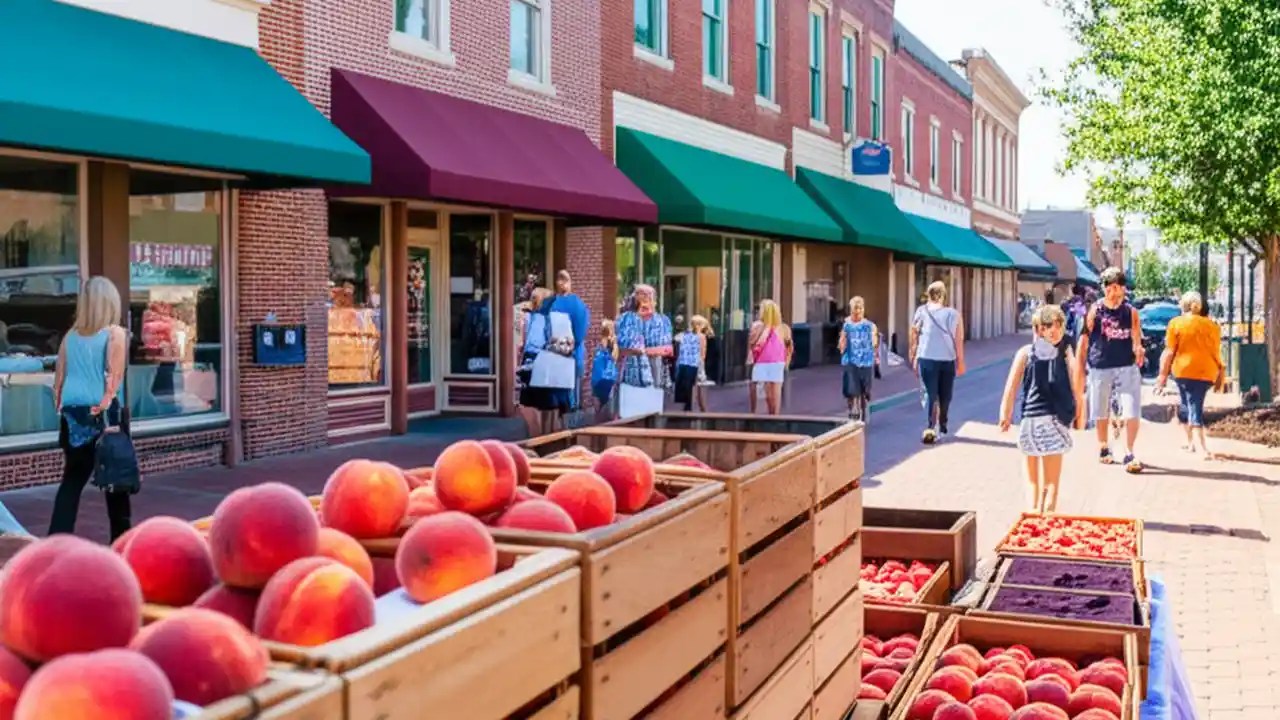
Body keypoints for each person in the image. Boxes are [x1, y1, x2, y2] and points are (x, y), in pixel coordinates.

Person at [49, 276, 131, 541]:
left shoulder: (70, 336)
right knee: (115, 481)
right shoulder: (114, 333)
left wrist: (62, 408)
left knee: (71, 481)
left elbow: (58, 379)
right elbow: (114, 378)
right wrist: (107, 403)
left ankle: (56, 541)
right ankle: (121, 541)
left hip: (72, 413)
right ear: (110, 303)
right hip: (104, 414)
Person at [999, 305, 1083, 513]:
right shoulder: (1065, 354)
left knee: (1032, 484)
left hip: (1029, 423)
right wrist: (1080, 415)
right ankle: (1046, 525)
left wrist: (1005, 414)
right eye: (1049, 326)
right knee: (1052, 485)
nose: (1053, 330)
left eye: (1057, 325)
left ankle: (1032, 520)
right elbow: (1077, 386)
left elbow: (1011, 387)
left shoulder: (1025, 353)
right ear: (1040, 329)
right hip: (1053, 423)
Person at [1075, 267, 1146, 472]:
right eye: (1109, 287)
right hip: (1101, 365)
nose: (1113, 292)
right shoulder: (1095, 311)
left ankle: (1129, 451)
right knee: (1100, 408)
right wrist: (1079, 365)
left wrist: (1139, 349)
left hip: (1126, 365)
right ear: (1104, 288)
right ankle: (1103, 446)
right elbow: (1085, 338)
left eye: (1117, 287)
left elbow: (1136, 337)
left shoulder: (1131, 312)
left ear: (1124, 289)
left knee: (1131, 409)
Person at [1157, 291, 1225, 458]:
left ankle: (1199, 446)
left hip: (1182, 370)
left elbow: (1169, 352)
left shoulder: (1175, 324)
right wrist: (1220, 373)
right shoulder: (1212, 326)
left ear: (1183, 306)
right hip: (1205, 371)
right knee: (1192, 404)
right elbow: (1216, 352)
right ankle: (1192, 443)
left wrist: (1162, 376)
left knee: (1191, 406)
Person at [910, 281, 966, 444]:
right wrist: (960, 361)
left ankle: (940, 422)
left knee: (941, 396)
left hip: (938, 358)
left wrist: (913, 355)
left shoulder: (952, 314)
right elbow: (958, 340)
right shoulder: (922, 311)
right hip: (933, 358)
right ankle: (931, 426)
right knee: (934, 394)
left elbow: (957, 338)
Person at [616, 284, 673, 414]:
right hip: (630, 370)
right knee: (630, 408)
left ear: (655, 301)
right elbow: (618, 345)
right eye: (640, 295)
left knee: (652, 408)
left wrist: (642, 352)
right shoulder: (625, 319)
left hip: (654, 368)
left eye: (648, 296)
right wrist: (633, 351)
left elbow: (668, 349)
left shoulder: (663, 321)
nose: (644, 299)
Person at [551, 270, 590, 422]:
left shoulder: (554, 303)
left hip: (562, 353)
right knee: (572, 390)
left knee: (566, 391)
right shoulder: (577, 304)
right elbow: (581, 330)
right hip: (571, 352)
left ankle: (565, 421)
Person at [517, 288, 556, 436]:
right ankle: (541, 438)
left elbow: (522, 343)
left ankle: (535, 437)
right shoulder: (549, 318)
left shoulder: (528, 318)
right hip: (543, 361)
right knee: (542, 404)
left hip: (531, 360)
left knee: (528, 404)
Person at [837, 296, 879, 421]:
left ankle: (864, 412)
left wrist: (874, 345)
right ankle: (852, 412)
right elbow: (842, 342)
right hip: (850, 360)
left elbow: (874, 339)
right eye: (855, 308)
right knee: (851, 389)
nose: (858, 311)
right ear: (851, 310)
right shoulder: (847, 325)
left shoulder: (869, 325)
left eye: (860, 308)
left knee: (864, 391)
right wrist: (842, 345)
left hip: (866, 361)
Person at [750, 300, 792, 415]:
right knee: (775, 392)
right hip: (777, 363)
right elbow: (788, 346)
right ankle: (774, 417)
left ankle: (761, 418)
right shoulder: (783, 328)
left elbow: (752, 343)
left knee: (762, 393)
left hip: (762, 363)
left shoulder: (758, 326)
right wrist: (786, 361)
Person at [674, 316, 712, 412]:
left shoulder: (685, 335)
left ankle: (688, 405)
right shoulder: (701, 337)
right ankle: (702, 407)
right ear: (699, 325)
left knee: (689, 385)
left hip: (686, 362)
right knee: (700, 385)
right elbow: (702, 353)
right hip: (697, 362)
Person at [591, 319, 619, 423]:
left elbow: (595, 358)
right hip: (610, 377)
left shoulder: (600, 344)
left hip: (597, 378)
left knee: (597, 404)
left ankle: (597, 423)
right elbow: (615, 358)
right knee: (609, 403)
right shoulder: (613, 344)